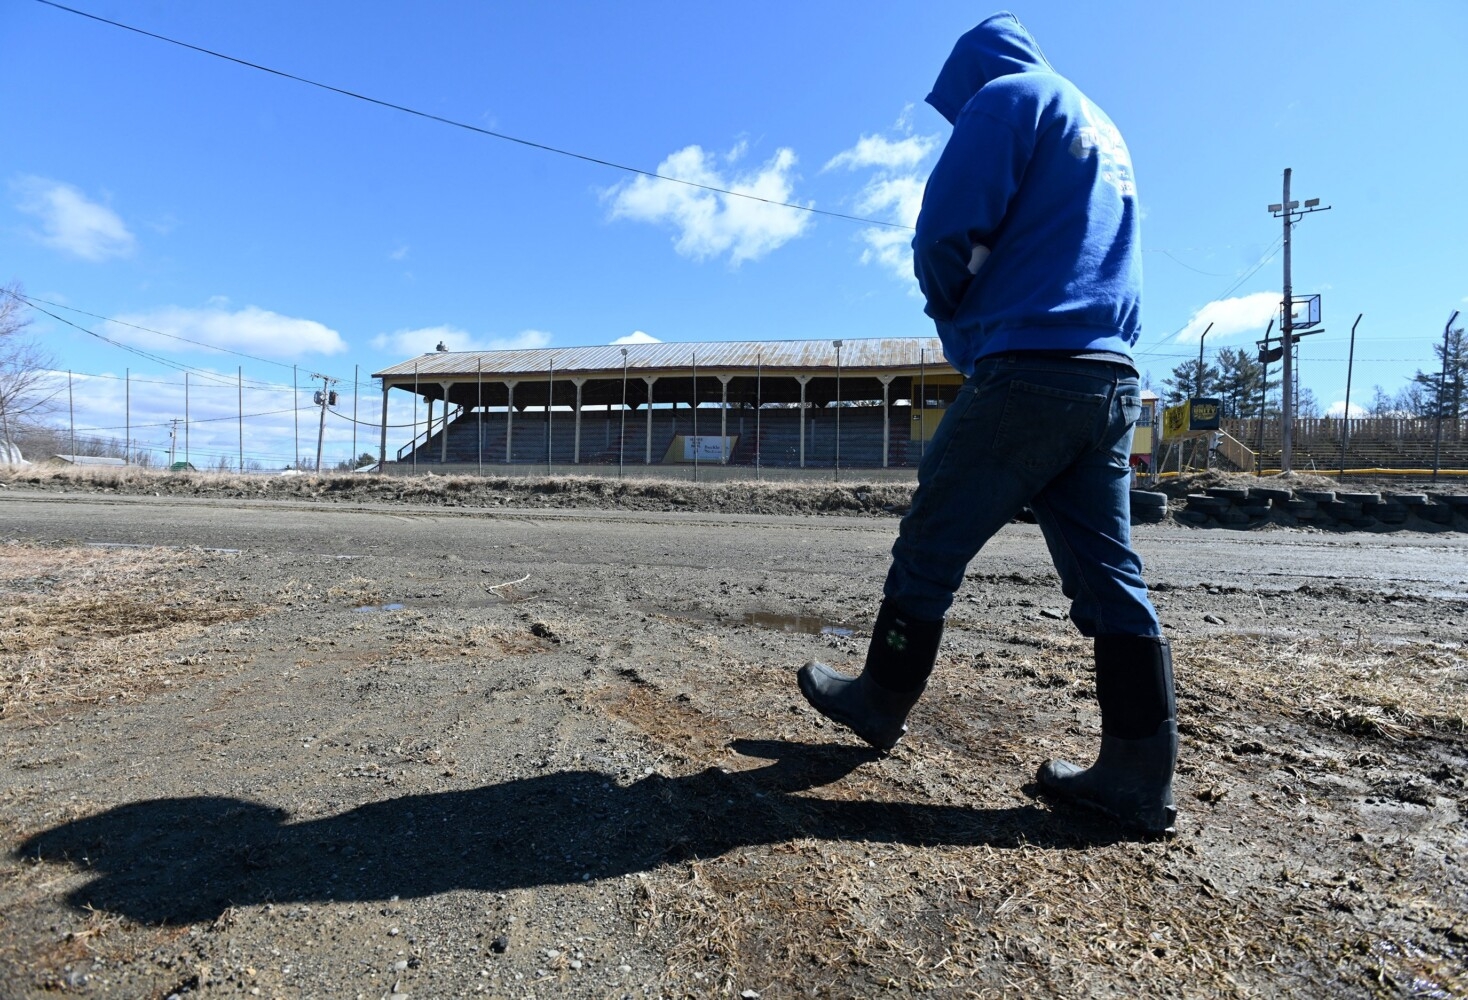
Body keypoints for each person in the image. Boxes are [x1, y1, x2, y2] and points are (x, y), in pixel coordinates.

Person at [797, 12, 1177, 836]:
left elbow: (942, 230)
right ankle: (1139, 774)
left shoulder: (1006, 97)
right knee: (1108, 575)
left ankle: (878, 699)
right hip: (1109, 377)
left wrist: (956, 312)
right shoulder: (1099, 125)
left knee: (931, 542)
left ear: (970, 76)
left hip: (1028, 368)